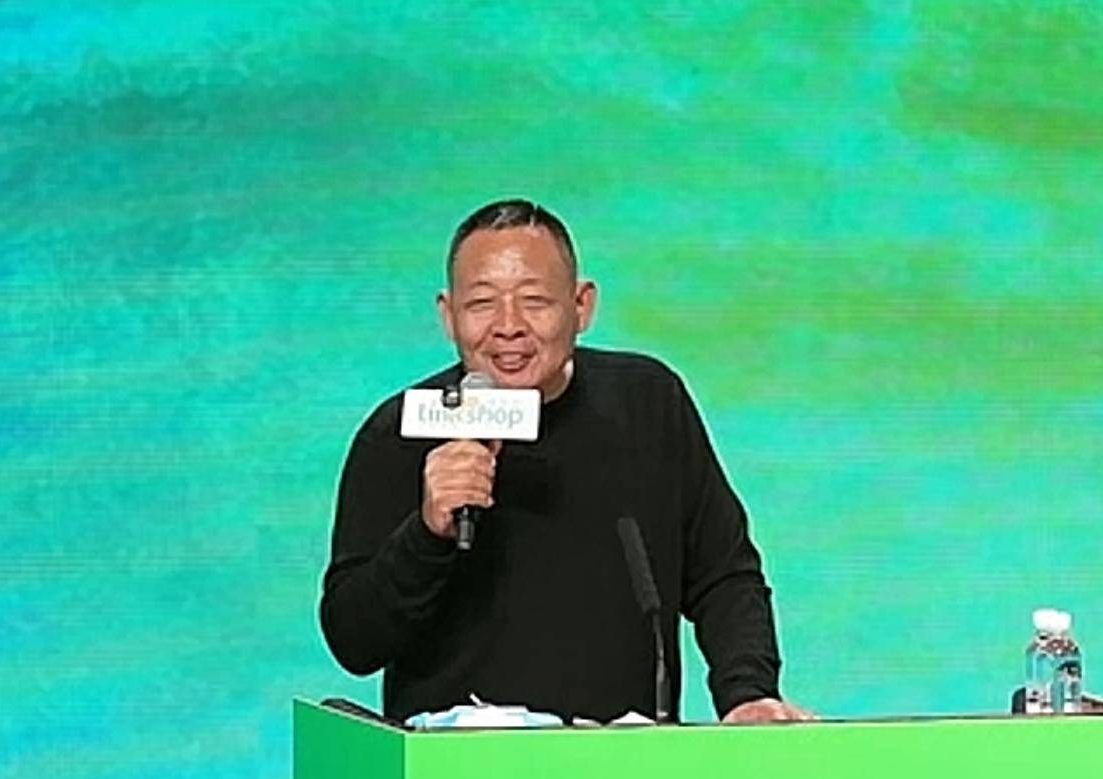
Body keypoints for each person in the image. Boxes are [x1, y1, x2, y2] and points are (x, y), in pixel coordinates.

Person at [319, 198, 811, 725]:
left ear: (582, 306)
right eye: (482, 303)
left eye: (534, 300)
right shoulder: (400, 432)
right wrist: (426, 533)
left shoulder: (648, 403)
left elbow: (724, 575)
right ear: (448, 315)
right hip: (455, 764)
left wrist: (747, 692)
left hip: (625, 758)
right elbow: (353, 642)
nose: (508, 326)